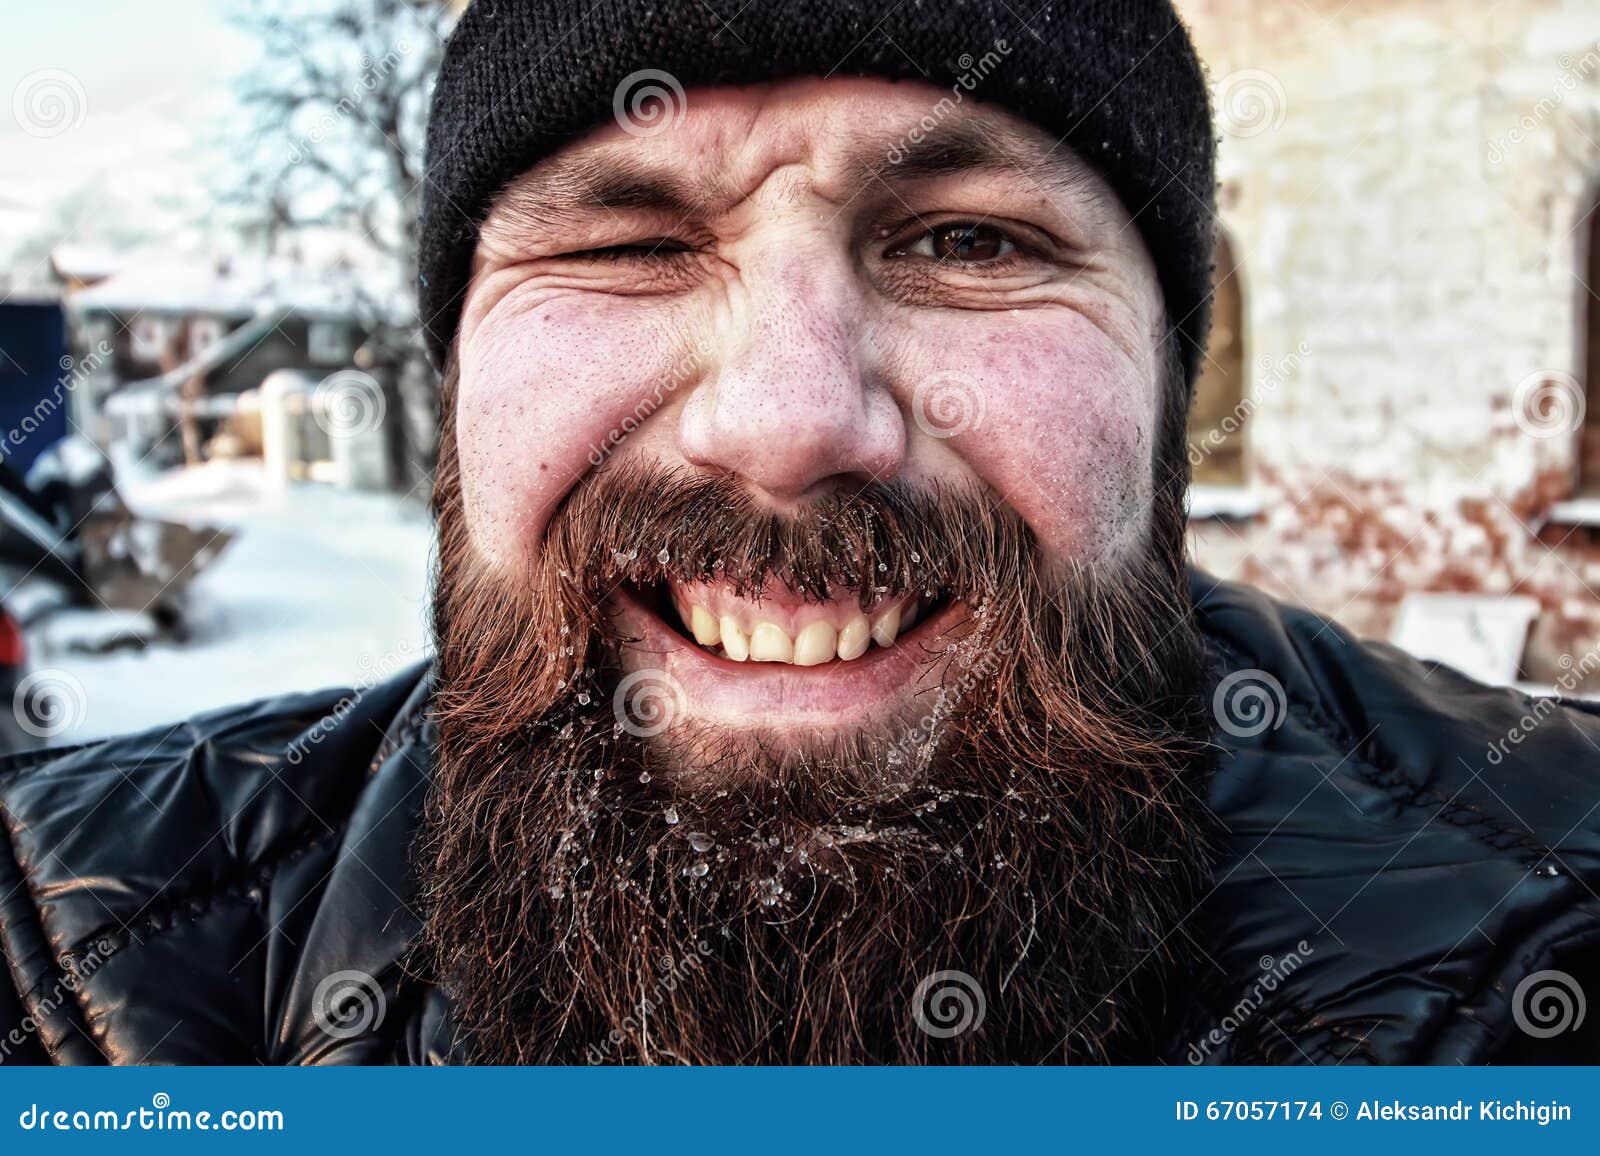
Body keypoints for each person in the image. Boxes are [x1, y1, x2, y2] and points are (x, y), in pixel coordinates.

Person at [2, 0, 1596, 1066]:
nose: (787, 419)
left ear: (1166, 386)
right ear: (461, 371)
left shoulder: (1556, 938)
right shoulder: (67, 970)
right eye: (630, 243)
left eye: (971, 241)